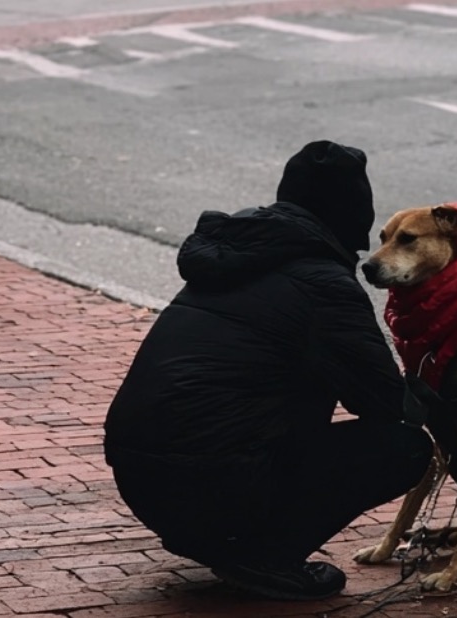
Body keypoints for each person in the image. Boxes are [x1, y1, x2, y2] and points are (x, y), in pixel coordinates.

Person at [103, 140, 433, 601]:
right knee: (403, 446)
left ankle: (225, 538)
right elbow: (383, 402)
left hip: (143, 481)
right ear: (353, 211)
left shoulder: (234, 255)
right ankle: (265, 558)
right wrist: (435, 388)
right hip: (208, 486)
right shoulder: (324, 284)